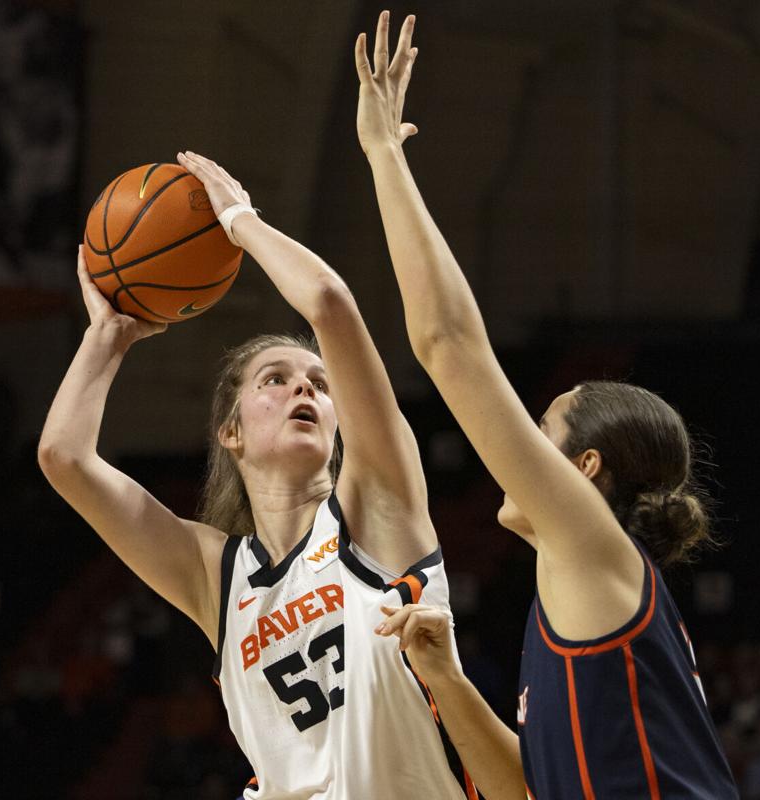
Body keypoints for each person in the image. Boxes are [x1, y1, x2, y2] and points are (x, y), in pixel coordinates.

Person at [356, 11, 739, 799]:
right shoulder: (573, 590)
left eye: (541, 428)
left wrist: (386, 155)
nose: (518, 446)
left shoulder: (592, 552)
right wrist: (445, 678)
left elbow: (448, 346)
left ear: (584, 466)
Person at [38, 153, 476, 797]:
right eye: (276, 379)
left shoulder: (379, 504)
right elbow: (64, 459)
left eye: (319, 385)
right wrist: (108, 337)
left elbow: (329, 303)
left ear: (335, 425)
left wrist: (240, 220)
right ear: (231, 431)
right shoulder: (215, 574)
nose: (304, 386)